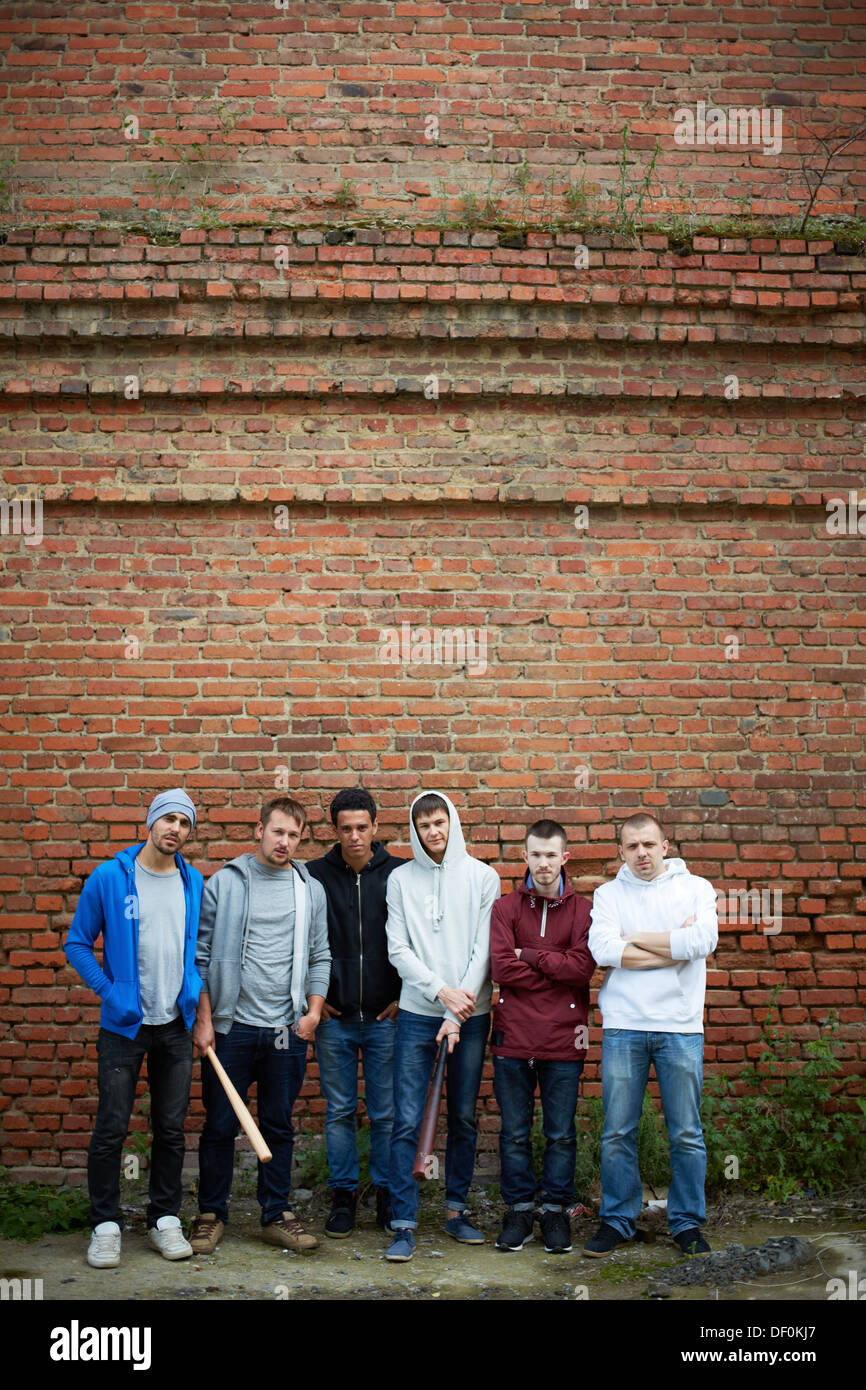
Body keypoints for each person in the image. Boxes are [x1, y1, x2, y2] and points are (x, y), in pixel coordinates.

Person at [64, 789, 204, 1269]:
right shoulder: (110, 876)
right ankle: (105, 1225)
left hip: (175, 1024)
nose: (176, 831)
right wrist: (111, 991)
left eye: (184, 824)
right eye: (168, 820)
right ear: (150, 822)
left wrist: (192, 988)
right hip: (124, 1026)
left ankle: (164, 1218)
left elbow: (192, 948)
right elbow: (78, 942)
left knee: (170, 1128)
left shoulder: (192, 880)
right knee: (111, 1127)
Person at [189, 796, 330, 1255]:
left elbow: (320, 956)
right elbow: (202, 956)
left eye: (293, 834)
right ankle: (211, 1214)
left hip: (287, 1028)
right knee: (219, 1124)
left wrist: (312, 1012)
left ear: (301, 837)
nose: (284, 841)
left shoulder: (310, 889)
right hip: (231, 1027)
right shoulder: (226, 883)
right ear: (259, 830)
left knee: (279, 1123)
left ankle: (276, 1215)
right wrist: (205, 1019)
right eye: (277, 832)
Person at [584, 812, 719, 1258]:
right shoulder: (607, 894)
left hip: (680, 1026)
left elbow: (702, 942)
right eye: (631, 846)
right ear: (620, 852)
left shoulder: (694, 888)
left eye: (649, 844)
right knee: (618, 1131)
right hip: (625, 1025)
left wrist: (636, 939)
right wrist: (670, 948)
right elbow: (604, 950)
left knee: (686, 1133)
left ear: (665, 846)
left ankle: (686, 1224)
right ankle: (619, 1220)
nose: (641, 853)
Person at [383, 791, 500, 1263]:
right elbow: (397, 948)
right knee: (406, 1117)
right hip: (416, 1014)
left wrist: (457, 1011)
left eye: (440, 822)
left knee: (464, 1115)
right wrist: (440, 994)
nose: (434, 832)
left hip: (471, 1017)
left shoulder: (482, 877)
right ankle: (403, 1223)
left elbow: (484, 950)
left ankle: (456, 1211)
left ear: (452, 822)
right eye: (424, 824)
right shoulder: (399, 880)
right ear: (414, 830)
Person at [490, 819, 594, 1254]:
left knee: (560, 1134)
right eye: (536, 854)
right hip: (513, 1037)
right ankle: (518, 1211)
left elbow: (582, 969)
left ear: (564, 857)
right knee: (514, 1132)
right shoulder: (505, 908)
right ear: (525, 856)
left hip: (564, 1041)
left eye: (552, 854)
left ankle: (554, 1212)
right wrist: (555, 967)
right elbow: (500, 969)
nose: (544, 862)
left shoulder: (585, 910)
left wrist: (529, 955)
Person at [306, 788, 405, 1237]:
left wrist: (405, 996)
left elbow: (420, 939)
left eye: (362, 827)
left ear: (375, 827)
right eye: (345, 828)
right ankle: (343, 1196)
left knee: (385, 1112)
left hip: (386, 1018)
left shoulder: (401, 874)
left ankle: (385, 1193)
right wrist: (315, 996)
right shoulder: (313, 876)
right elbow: (298, 941)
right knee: (340, 1110)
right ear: (334, 830)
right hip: (336, 1018)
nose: (354, 836)